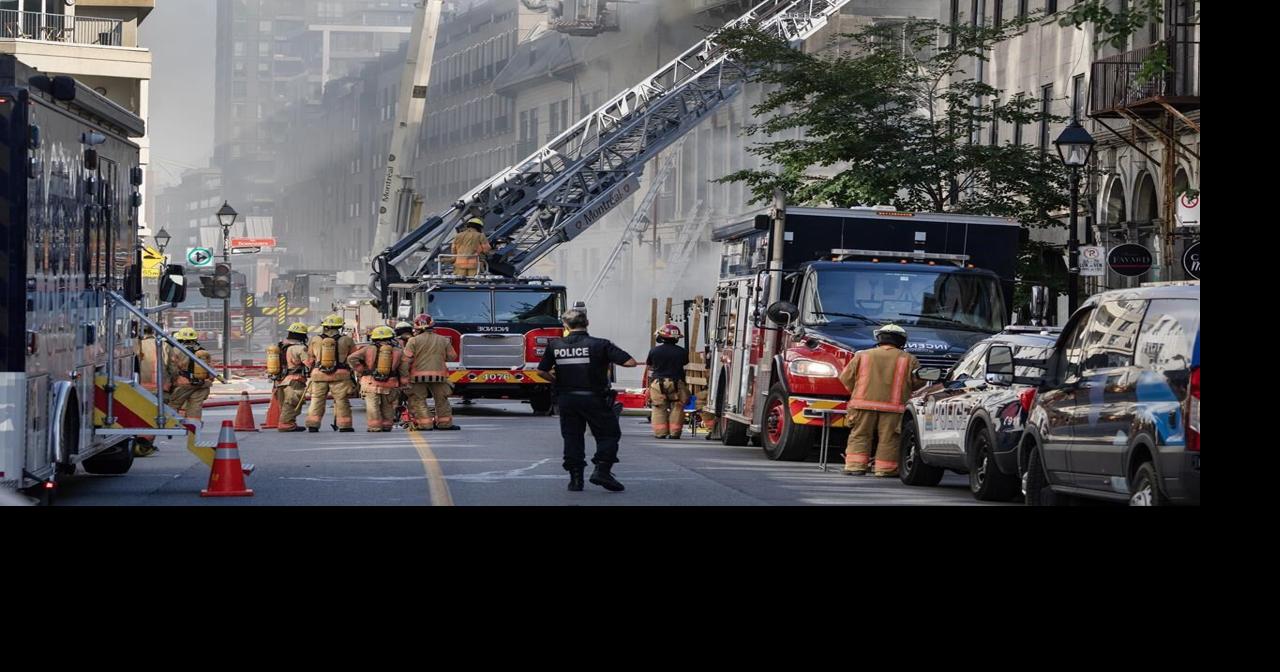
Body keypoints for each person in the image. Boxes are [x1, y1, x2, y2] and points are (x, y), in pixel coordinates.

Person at [538, 309, 637, 492]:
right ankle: (602, 470)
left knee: (572, 437)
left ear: (565, 326)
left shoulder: (555, 346)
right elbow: (630, 362)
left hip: (567, 399)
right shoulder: (600, 344)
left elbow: (541, 371)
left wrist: (557, 380)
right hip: (595, 399)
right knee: (608, 434)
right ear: (587, 323)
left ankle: (575, 480)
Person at [837, 324, 927, 477]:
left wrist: (858, 392)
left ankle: (854, 466)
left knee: (859, 435)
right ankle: (885, 469)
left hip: (862, 405)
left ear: (879, 338)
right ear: (901, 341)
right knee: (890, 439)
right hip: (893, 408)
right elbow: (919, 382)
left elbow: (846, 378)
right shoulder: (909, 359)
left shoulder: (862, 355)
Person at [400, 314, 459, 430]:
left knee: (419, 400)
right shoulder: (443, 340)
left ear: (416, 328)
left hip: (418, 377)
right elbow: (452, 357)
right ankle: (445, 424)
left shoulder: (413, 341)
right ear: (432, 325)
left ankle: (425, 424)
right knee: (441, 400)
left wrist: (404, 377)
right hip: (439, 376)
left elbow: (406, 360)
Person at [349, 326, 404, 433]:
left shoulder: (367, 349)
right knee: (387, 406)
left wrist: (361, 369)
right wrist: (402, 381)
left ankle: (375, 427)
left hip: (370, 383)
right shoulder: (398, 351)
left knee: (372, 405)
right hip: (389, 383)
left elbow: (351, 358)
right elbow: (404, 368)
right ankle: (387, 426)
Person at [645, 323, 690, 439]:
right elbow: (685, 363)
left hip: (658, 383)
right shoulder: (683, 352)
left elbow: (649, 364)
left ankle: (660, 433)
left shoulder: (654, 351)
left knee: (659, 407)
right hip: (677, 383)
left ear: (662, 337)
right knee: (677, 407)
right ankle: (674, 433)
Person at [272, 322, 312, 433]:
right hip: (294, 379)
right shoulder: (299, 349)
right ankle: (286, 424)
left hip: (280, 380)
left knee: (284, 402)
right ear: (302, 336)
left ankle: (289, 422)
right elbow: (309, 363)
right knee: (292, 402)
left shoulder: (280, 346)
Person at [166, 328, 213, 421]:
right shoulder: (203, 351)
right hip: (202, 384)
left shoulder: (176, 350)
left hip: (183, 384)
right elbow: (210, 370)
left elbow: (171, 367)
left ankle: (169, 425)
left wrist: (173, 380)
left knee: (173, 405)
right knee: (195, 409)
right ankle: (194, 429)